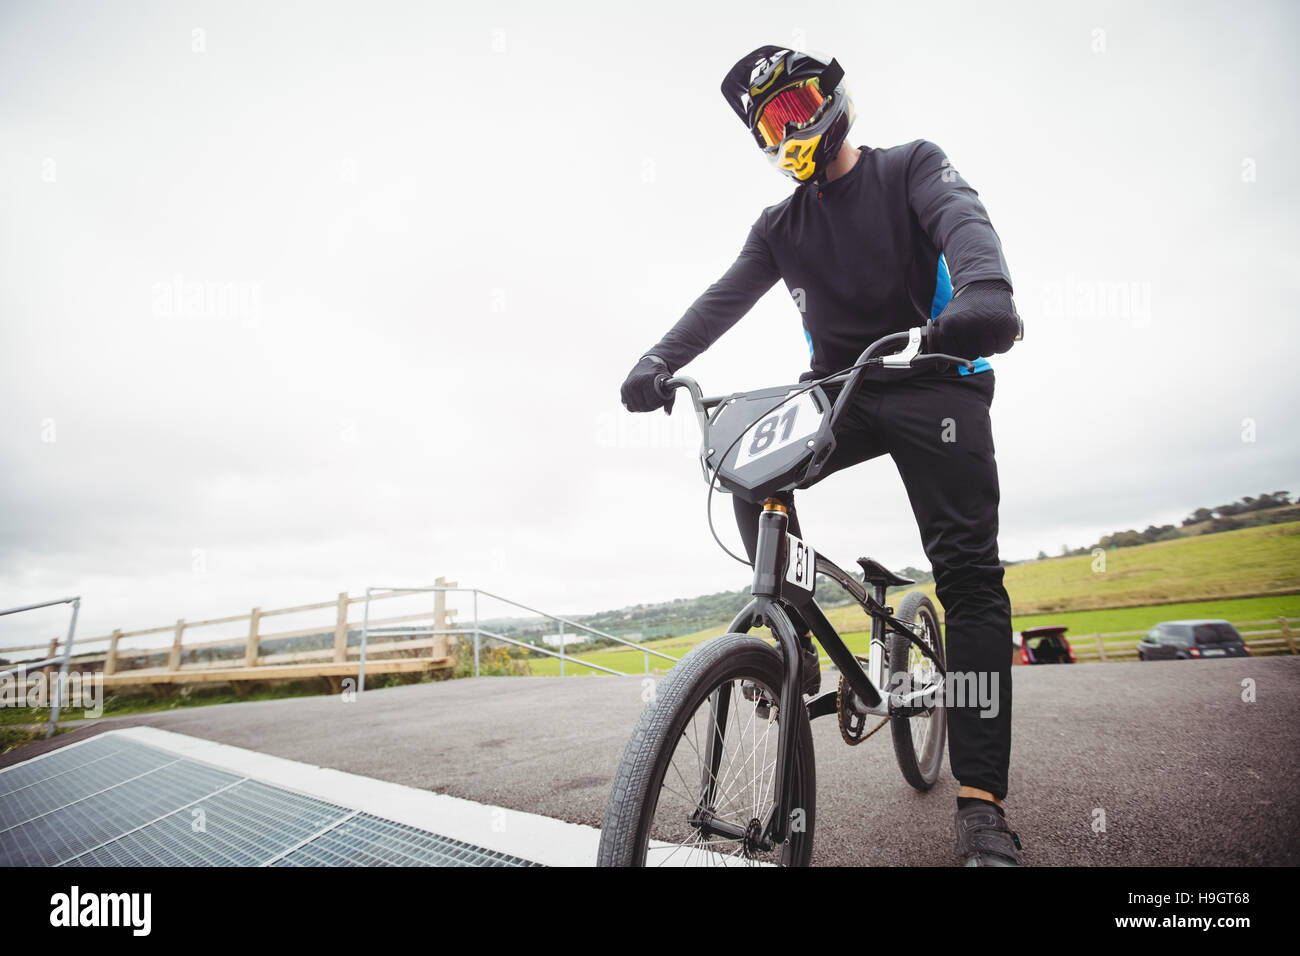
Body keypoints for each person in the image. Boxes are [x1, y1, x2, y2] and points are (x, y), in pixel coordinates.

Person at [618, 45, 1024, 867]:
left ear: (833, 99)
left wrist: (984, 292)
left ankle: (982, 807)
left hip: (932, 370)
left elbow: (963, 223)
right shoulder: (779, 225)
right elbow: (721, 298)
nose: (790, 128)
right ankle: (793, 642)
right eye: (771, 121)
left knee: (970, 579)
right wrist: (657, 361)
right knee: (743, 461)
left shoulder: (911, 165)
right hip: (840, 387)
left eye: (797, 105)